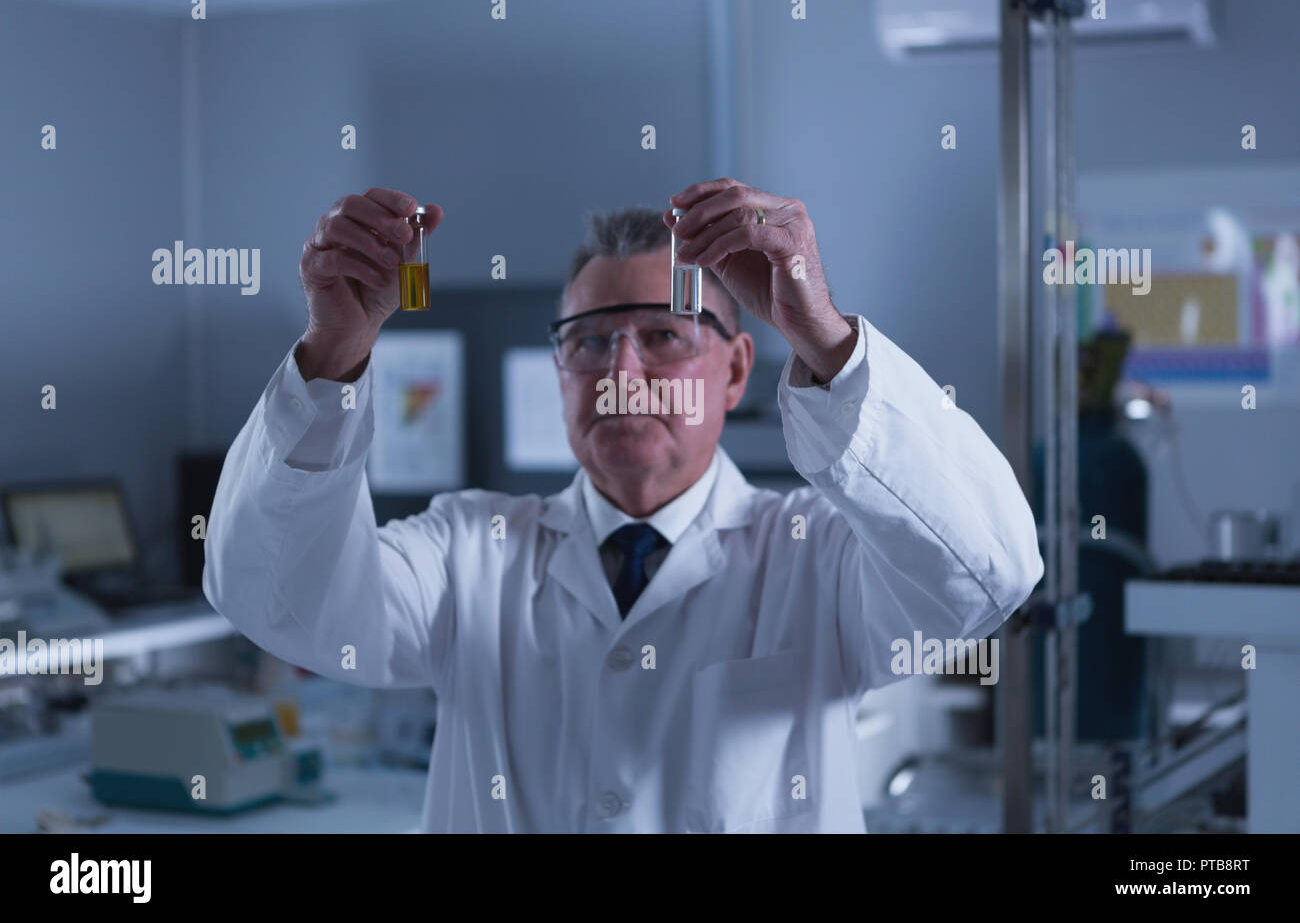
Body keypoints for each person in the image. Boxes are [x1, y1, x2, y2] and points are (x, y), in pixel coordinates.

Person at [203, 178, 1043, 832]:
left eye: (664, 336)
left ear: (738, 369)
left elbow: (991, 569)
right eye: (590, 341)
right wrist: (333, 354)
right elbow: (276, 599)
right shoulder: (470, 550)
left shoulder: (815, 556)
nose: (621, 373)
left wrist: (823, 333)